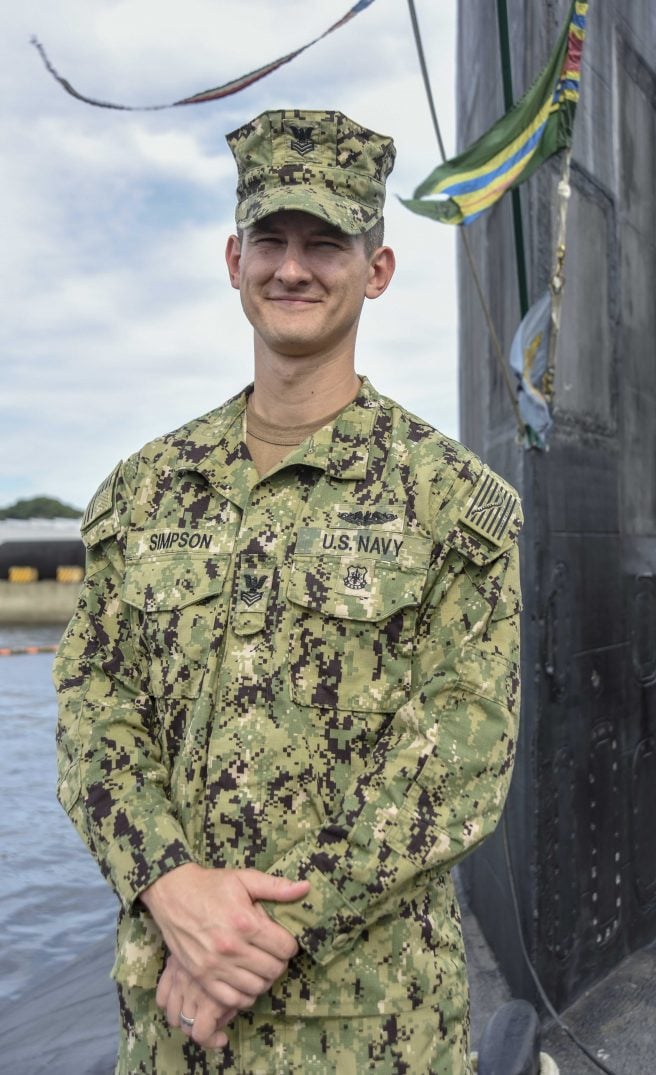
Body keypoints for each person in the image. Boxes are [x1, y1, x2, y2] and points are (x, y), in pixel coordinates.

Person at [54, 108, 523, 1075]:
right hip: (171, 1026)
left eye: (327, 243)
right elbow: (93, 714)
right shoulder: (145, 492)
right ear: (234, 259)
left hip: (368, 1034)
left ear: (377, 270)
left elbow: (457, 761)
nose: (293, 268)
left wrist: (235, 951)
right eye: (271, 239)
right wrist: (170, 885)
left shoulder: (448, 505)